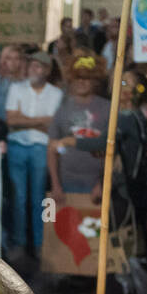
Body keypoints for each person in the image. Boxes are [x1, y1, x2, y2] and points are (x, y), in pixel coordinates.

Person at [5, 51, 63, 258]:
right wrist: (40, 121)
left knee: (38, 197)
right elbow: (11, 120)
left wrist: (24, 119)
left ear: (47, 70)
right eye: (32, 65)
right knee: (18, 198)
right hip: (17, 147)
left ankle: (39, 243)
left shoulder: (56, 94)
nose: (33, 69)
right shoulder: (16, 88)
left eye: (39, 66)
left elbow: (53, 125)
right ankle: (20, 243)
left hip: (41, 149)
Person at [46, 52, 112, 203]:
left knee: (94, 227)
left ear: (95, 81)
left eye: (87, 78)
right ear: (71, 80)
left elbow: (114, 152)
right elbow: (52, 148)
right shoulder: (62, 107)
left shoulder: (108, 108)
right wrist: (55, 184)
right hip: (67, 183)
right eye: (78, 78)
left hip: (98, 186)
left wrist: (102, 183)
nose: (82, 82)